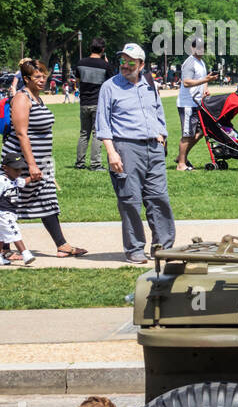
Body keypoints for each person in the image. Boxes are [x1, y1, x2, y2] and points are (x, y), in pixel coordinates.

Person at [96, 43, 176, 264]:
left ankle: (163, 247)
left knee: (159, 198)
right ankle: (134, 249)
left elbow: (158, 111)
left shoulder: (150, 84)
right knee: (130, 200)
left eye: (130, 61)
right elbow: (103, 123)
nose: (125, 65)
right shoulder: (110, 87)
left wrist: (162, 135)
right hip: (126, 148)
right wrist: (111, 153)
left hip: (154, 148)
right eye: (122, 60)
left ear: (141, 64)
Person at [3, 58, 87, 256]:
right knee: (9, 202)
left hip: (42, 161)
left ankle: (62, 245)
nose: (42, 80)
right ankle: (4, 249)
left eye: (43, 76)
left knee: (47, 199)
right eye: (37, 77)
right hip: (20, 163)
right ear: (26, 79)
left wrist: (42, 162)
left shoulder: (37, 97)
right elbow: (22, 134)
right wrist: (31, 165)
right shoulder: (22, 98)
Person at [176, 37, 216, 171]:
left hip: (197, 103)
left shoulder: (201, 62)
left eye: (203, 47)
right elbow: (186, 82)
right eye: (198, 47)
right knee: (187, 134)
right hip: (187, 103)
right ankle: (181, 164)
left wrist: (206, 88)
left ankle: (181, 156)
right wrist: (205, 79)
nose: (201, 49)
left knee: (200, 132)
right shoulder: (190, 63)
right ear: (192, 48)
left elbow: (203, 81)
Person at [75, 37, 114, 170]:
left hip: (84, 102)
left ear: (90, 48)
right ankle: (95, 163)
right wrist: (106, 64)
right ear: (103, 50)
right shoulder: (105, 65)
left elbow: (78, 80)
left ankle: (79, 163)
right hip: (98, 103)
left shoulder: (81, 63)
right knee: (97, 133)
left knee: (83, 133)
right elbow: (111, 83)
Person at [0, 152, 35, 265]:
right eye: (16, 169)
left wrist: (34, 177)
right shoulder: (2, 181)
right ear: (5, 168)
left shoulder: (15, 180)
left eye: (20, 169)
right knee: (14, 231)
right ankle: (25, 253)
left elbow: (24, 182)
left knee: (1, 236)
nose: (19, 172)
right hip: (3, 213)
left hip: (10, 212)